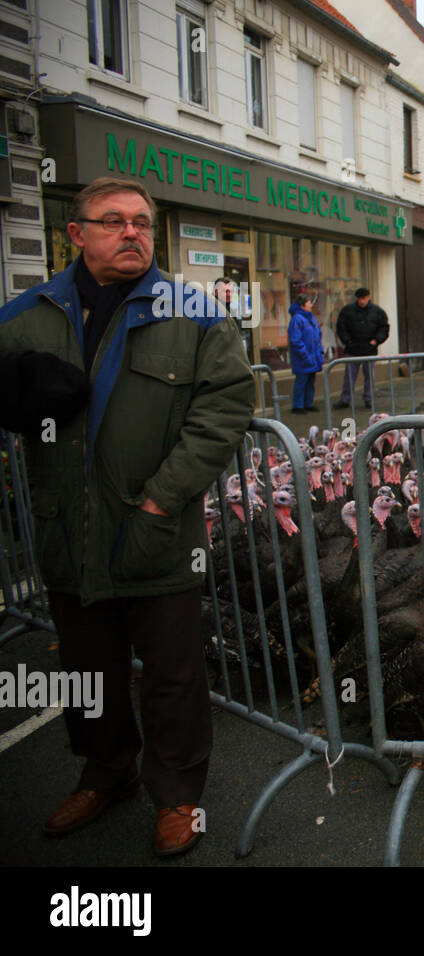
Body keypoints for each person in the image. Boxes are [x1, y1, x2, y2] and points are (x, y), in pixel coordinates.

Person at [0, 176, 254, 857]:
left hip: (158, 530)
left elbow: (225, 407)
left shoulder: (195, 313)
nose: (132, 232)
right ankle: (104, 771)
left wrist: (161, 496)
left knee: (172, 673)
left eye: (142, 221)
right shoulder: (26, 315)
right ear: (75, 233)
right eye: (113, 221)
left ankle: (175, 796)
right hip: (66, 531)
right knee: (89, 667)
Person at [334, 287, 388, 408]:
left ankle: (368, 399)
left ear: (368, 297)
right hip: (353, 349)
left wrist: (376, 340)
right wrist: (347, 341)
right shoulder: (348, 311)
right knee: (349, 377)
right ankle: (345, 399)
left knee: (369, 376)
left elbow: (384, 328)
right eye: (359, 299)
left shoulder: (377, 311)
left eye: (363, 298)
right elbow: (341, 328)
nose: (361, 301)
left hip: (369, 349)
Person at [288, 292, 324, 413]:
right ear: (302, 305)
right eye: (309, 303)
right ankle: (298, 405)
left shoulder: (310, 317)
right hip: (303, 358)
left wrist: (320, 353)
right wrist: (305, 355)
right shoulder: (297, 319)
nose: (311, 305)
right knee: (301, 382)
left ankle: (308, 403)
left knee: (310, 382)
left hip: (312, 357)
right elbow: (296, 340)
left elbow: (317, 336)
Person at [213, 276, 252, 363]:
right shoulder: (210, 311)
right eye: (224, 291)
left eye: (230, 291)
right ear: (216, 292)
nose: (228, 294)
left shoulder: (231, 310)